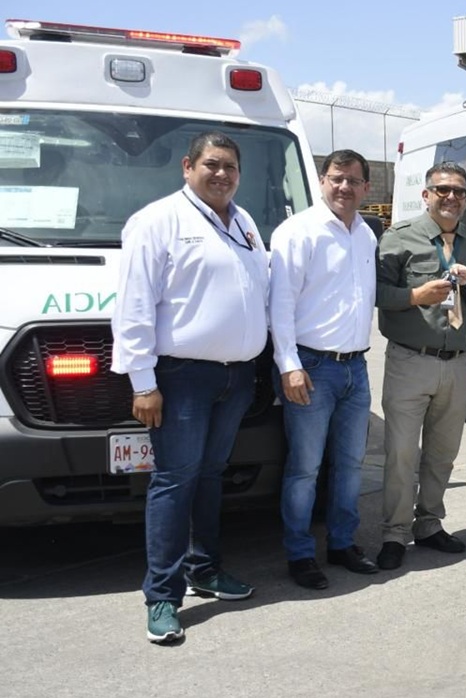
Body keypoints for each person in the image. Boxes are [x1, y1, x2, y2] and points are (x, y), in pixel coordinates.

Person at [112, 131, 268, 643]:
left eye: (230, 167)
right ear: (187, 166)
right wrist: (142, 382)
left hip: (235, 376)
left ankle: (206, 569)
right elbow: (134, 306)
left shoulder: (243, 222)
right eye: (212, 164)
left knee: (209, 477)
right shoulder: (158, 221)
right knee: (174, 482)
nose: (222, 174)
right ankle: (161, 596)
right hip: (181, 377)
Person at [268, 149, 378, 589]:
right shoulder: (298, 232)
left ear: (366, 188)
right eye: (336, 178)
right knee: (305, 468)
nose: (344, 187)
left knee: (351, 465)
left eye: (353, 180)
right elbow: (280, 305)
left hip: (356, 368)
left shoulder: (365, 235)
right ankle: (299, 554)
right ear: (321, 180)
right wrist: (289, 366)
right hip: (312, 368)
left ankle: (341, 542)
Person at [375, 162, 466, 570]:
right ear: (426, 195)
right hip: (411, 360)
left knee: (442, 454)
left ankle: (429, 524)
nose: (452, 198)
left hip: (457, 364)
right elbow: (376, 293)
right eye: (443, 190)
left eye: (459, 192)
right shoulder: (397, 238)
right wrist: (414, 296)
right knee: (402, 453)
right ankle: (394, 532)